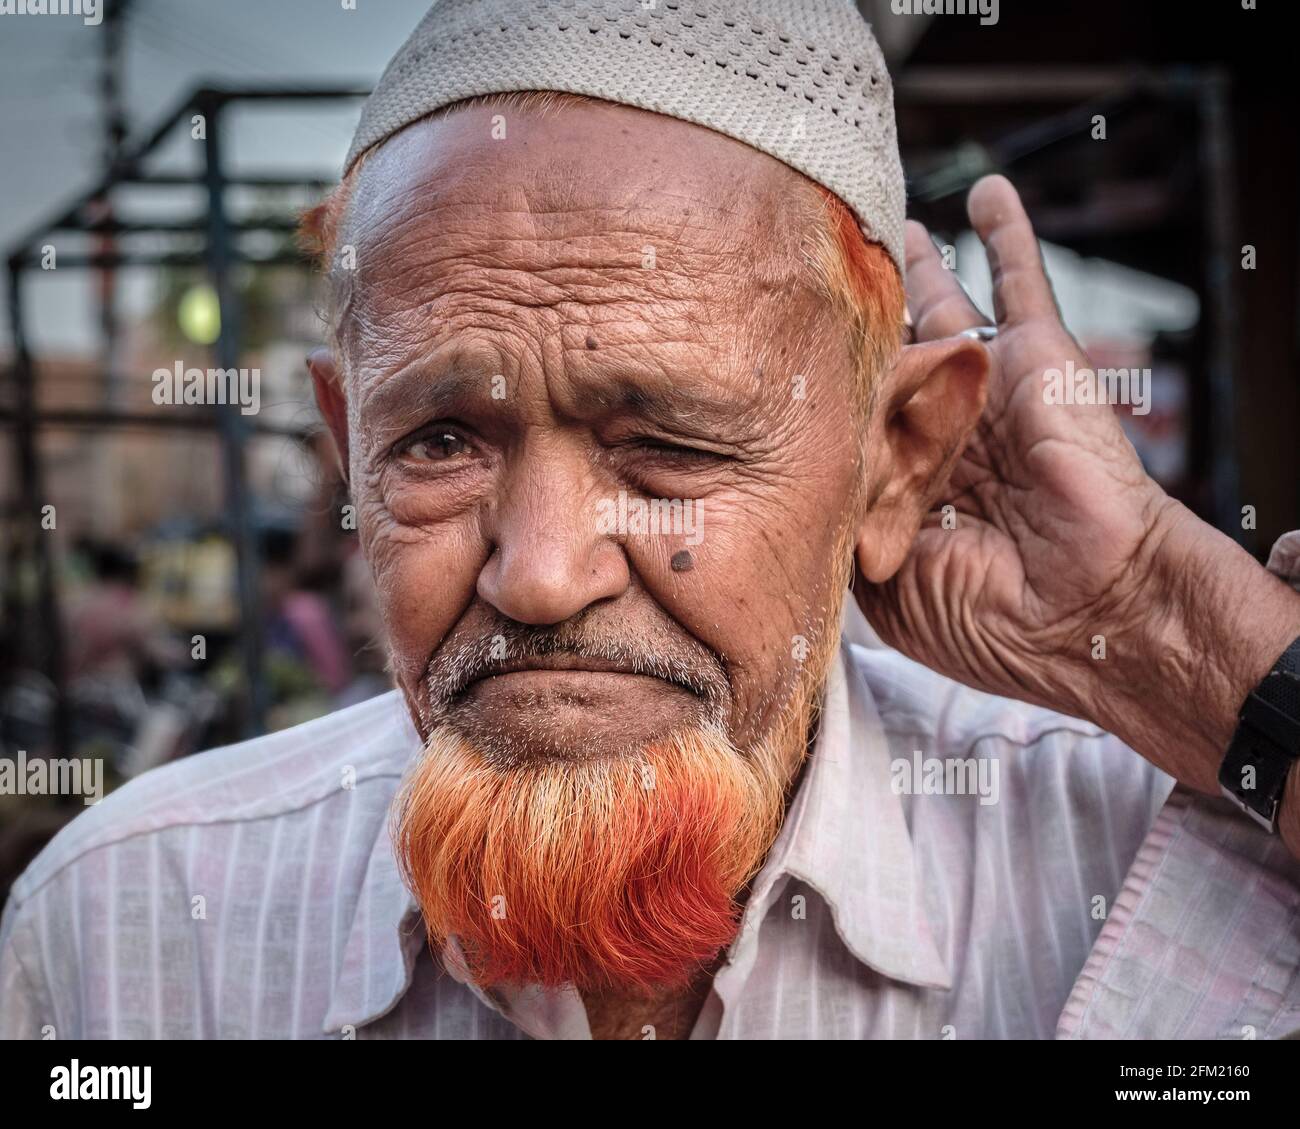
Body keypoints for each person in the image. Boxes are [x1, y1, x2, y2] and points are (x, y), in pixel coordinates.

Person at [3, 0, 1299, 1040]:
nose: (542, 574)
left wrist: (1182, 638)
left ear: (898, 459)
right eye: (441, 441)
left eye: (670, 444)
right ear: (352, 451)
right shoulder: (127, 925)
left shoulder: (1172, 853)